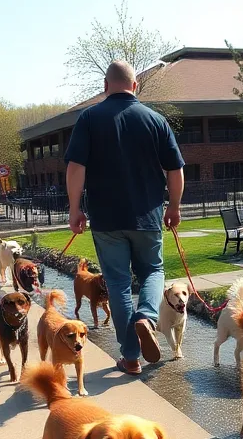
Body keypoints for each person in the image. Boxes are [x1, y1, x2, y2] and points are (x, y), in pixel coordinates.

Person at [65, 59, 184, 375]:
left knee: (117, 284)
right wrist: (174, 207)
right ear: (136, 86)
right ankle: (146, 315)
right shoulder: (156, 121)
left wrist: (75, 208)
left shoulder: (88, 119)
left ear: (105, 86)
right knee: (153, 270)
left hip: (106, 220)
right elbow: (175, 169)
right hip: (147, 216)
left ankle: (130, 357)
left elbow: (76, 167)